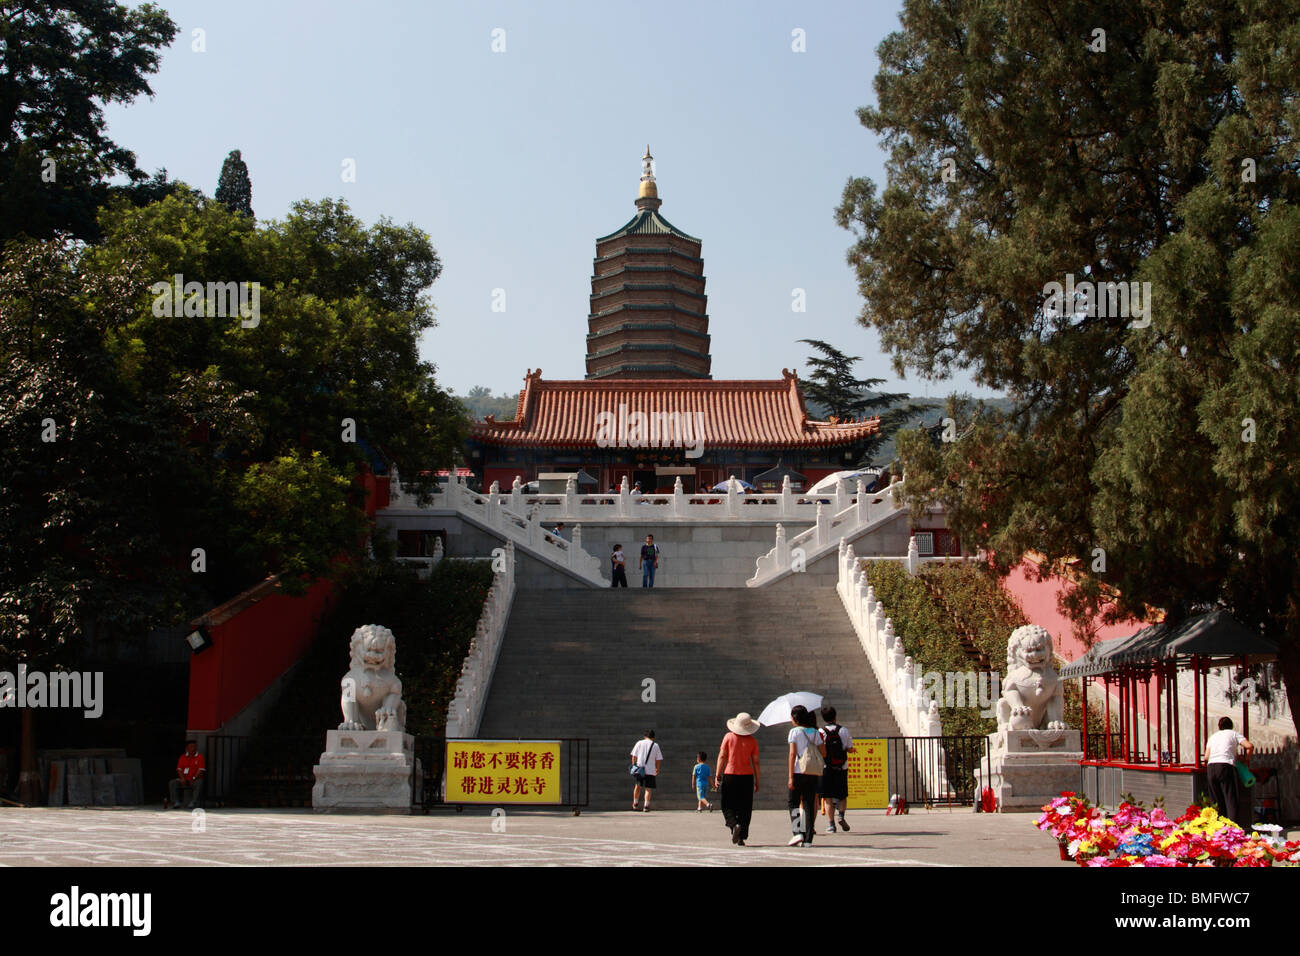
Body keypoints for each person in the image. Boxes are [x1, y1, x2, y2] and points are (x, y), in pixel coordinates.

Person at [716, 712, 761, 845]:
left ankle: (734, 824)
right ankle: (741, 836)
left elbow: (722, 756)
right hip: (747, 776)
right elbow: (756, 762)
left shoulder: (728, 737)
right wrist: (758, 780)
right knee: (745, 807)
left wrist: (718, 774)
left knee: (727, 804)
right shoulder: (753, 741)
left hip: (730, 774)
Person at [787, 705, 825, 846]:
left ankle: (798, 833)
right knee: (809, 804)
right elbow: (824, 752)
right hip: (812, 772)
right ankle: (808, 838)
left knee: (793, 803)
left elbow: (792, 754)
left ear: (795, 718)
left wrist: (790, 776)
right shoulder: (815, 732)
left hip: (798, 771)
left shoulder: (794, 732)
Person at [1204, 716, 1253, 827]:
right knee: (1231, 800)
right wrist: (1246, 760)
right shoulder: (1233, 734)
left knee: (1216, 802)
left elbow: (1206, 757)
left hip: (1211, 767)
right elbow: (1249, 746)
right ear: (1231, 726)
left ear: (1219, 727)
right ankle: (1232, 831)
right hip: (1226, 766)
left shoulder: (1213, 737)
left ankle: (1218, 830)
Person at [819, 704, 854, 833]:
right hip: (841, 767)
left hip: (827, 768)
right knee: (842, 795)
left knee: (828, 797)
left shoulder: (821, 732)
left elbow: (820, 750)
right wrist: (850, 749)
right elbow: (849, 748)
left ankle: (831, 824)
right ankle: (841, 816)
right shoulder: (843, 730)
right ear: (835, 716)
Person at [630, 730, 663, 811]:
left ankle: (635, 803)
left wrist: (634, 765)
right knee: (648, 789)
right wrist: (657, 768)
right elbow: (658, 759)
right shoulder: (655, 745)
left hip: (640, 769)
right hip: (650, 770)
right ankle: (646, 806)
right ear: (653, 737)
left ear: (644, 736)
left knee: (637, 786)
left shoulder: (639, 743)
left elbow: (634, 756)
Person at [168, 740, 205, 810]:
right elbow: (179, 769)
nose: (193, 748)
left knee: (199, 782)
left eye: (194, 746)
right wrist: (182, 779)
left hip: (195, 779)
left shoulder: (200, 757)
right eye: (191, 747)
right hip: (185, 779)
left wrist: (193, 778)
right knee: (172, 782)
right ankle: (176, 802)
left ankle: (194, 802)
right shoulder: (183, 757)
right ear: (187, 749)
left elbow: (201, 770)